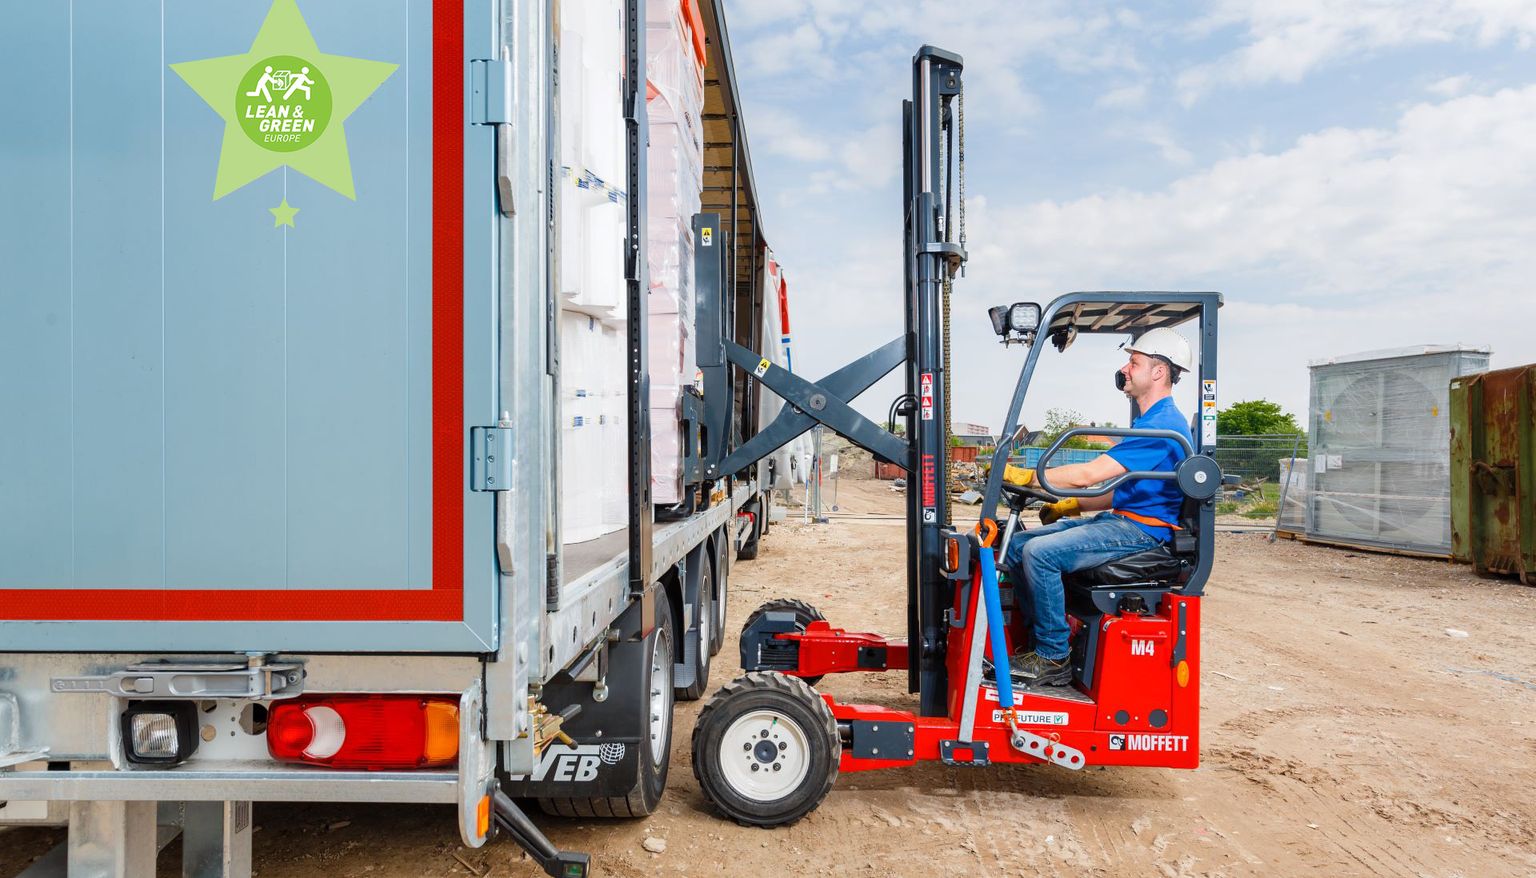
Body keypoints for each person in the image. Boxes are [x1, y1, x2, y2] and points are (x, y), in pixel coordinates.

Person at [1002, 327, 1194, 686]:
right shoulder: (1148, 424)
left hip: (1142, 531)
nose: (1125, 368)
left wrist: (1030, 477)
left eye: (1134, 362)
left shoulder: (1163, 426)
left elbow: (1090, 474)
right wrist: (1070, 506)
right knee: (1016, 546)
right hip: (1123, 519)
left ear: (1158, 372)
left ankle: (1053, 656)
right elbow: (1118, 489)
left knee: (1041, 553)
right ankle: (1041, 642)